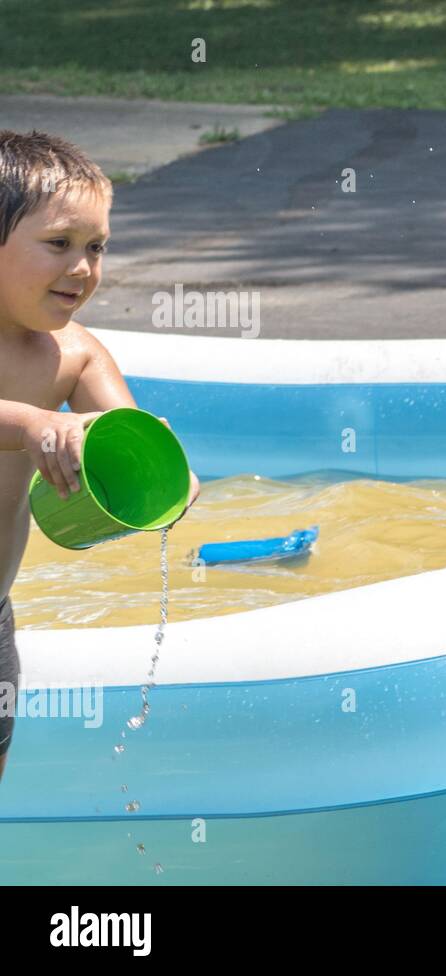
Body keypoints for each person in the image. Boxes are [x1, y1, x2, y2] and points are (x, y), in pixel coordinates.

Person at [0, 130, 201, 781]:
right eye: (58, 244)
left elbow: (131, 435)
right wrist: (32, 423)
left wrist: (167, 480)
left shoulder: (76, 355)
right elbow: (35, 428)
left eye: (97, 247)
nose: (83, 267)